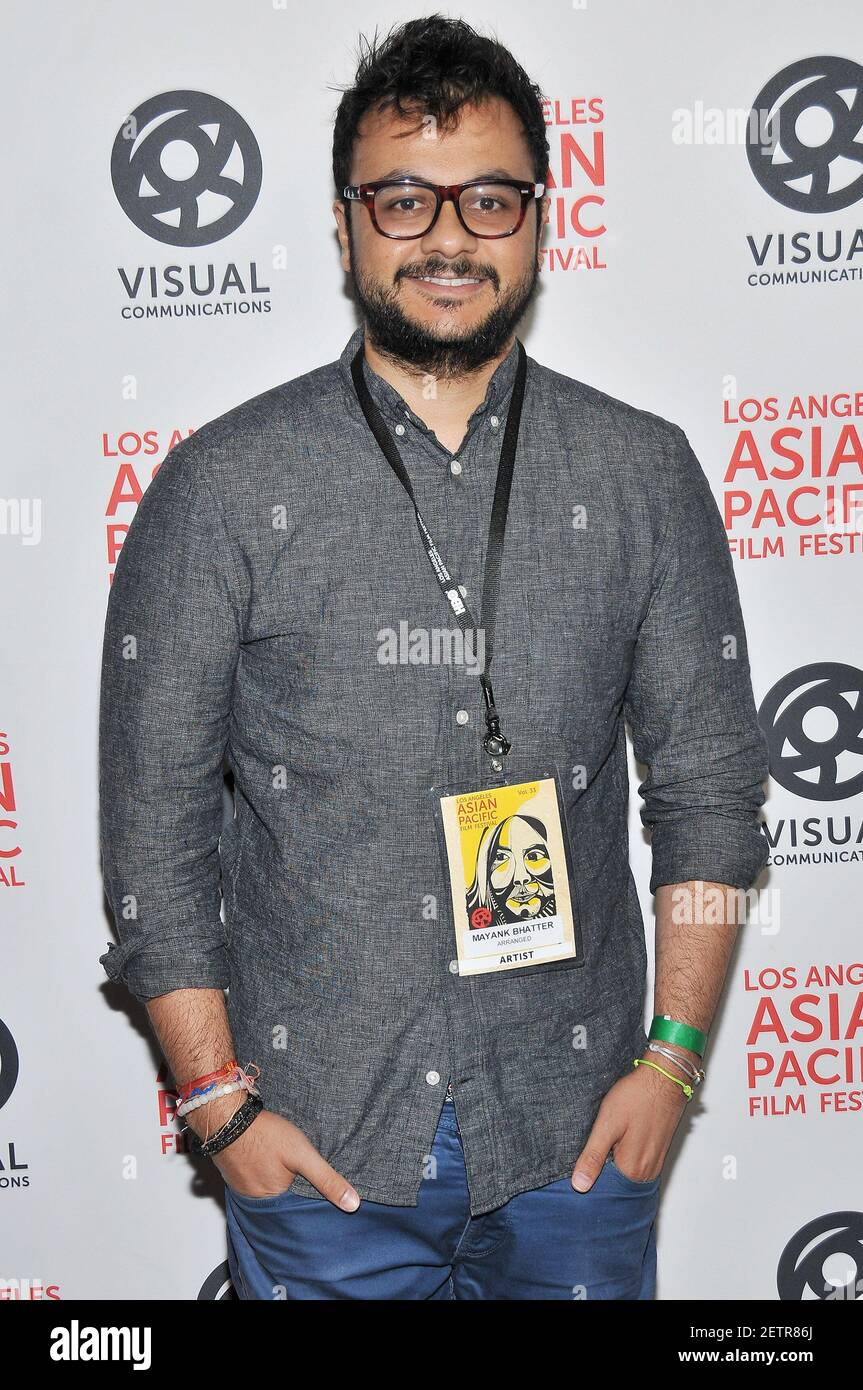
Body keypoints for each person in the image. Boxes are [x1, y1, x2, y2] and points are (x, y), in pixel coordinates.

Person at [98, 15, 770, 1300]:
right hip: (320, 1145)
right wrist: (220, 1109)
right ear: (347, 221)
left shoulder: (641, 473)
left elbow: (711, 801)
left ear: (539, 217)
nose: (448, 237)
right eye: (404, 198)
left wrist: (672, 1062)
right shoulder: (223, 487)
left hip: (578, 1137)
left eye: (487, 198)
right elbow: (152, 835)